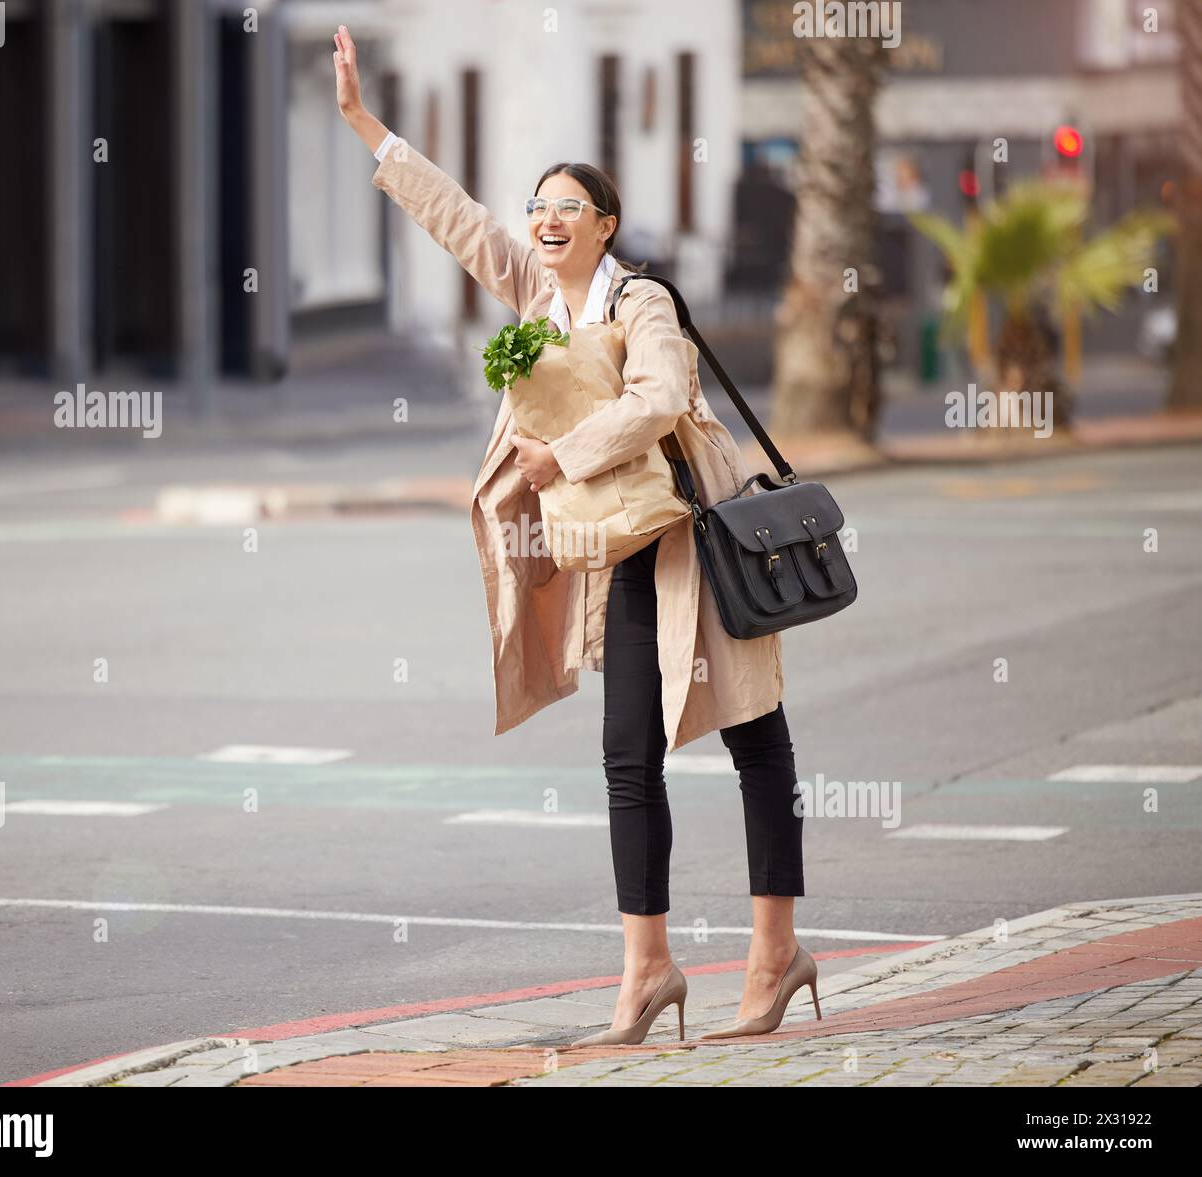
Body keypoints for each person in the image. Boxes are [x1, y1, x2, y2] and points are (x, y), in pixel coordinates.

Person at [332, 25, 819, 1046]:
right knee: (626, 756)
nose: (545, 222)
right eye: (538, 209)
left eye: (567, 209)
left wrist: (563, 457)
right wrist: (365, 125)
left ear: (605, 225)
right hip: (621, 558)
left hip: (696, 535)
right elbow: (456, 220)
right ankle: (647, 973)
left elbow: (661, 395)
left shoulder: (639, 300)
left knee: (752, 731)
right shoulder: (533, 296)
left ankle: (775, 955)